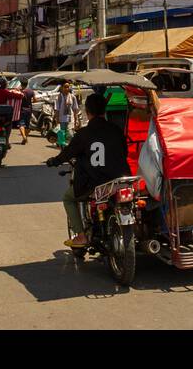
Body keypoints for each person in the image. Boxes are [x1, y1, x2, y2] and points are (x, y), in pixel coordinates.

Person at [45, 93, 130, 248]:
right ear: (104, 111)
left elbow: (67, 154)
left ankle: (81, 236)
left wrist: (53, 161)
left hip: (94, 183)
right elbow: (125, 152)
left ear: (88, 111)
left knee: (68, 198)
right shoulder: (117, 130)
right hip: (118, 180)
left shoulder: (83, 134)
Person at [53, 81, 77, 146]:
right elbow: (57, 109)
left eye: (68, 87)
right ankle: (62, 147)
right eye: (65, 87)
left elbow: (75, 109)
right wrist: (57, 119)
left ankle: (66, 146)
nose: (66, 88)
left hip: (70, 119)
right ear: (62, 88)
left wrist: (76, 120)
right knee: (62, 134)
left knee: (70, 134)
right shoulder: (58, 97)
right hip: (61, 119)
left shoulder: (73, 97)